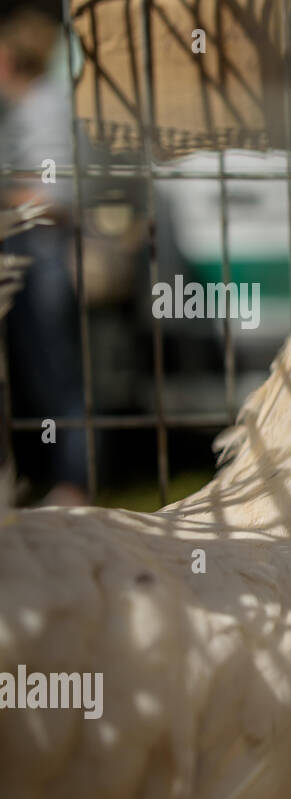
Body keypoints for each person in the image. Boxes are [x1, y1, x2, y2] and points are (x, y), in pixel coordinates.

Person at [0, 4, 89, 505]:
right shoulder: (22, 107)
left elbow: (57, 195)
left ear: (14, 57)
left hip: (45, 253)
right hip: (25, 252)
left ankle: (74, 482)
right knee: (36, 373)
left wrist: (6, 197)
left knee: (57, 373)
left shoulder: (45, 107)